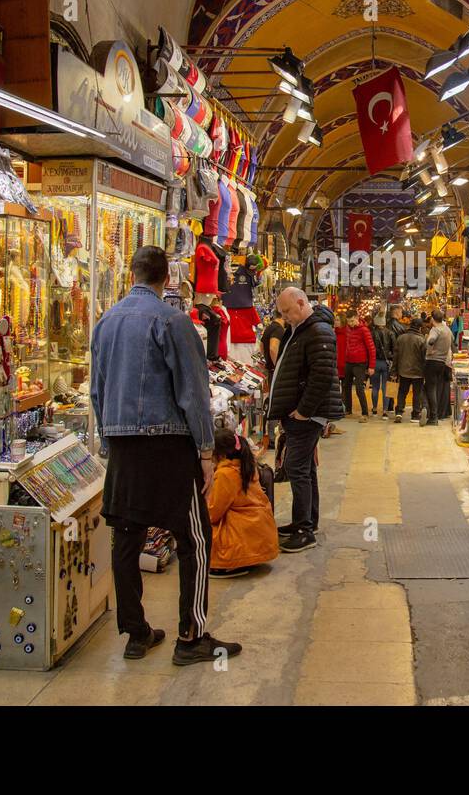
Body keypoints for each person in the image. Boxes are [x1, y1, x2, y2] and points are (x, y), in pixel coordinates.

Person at [90, 246, 242, 665]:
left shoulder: (106, 322)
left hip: (123, 448)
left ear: (132, 272)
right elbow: (192, 393)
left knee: (126, 540)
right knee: (194, 537)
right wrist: (206, 451)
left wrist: (109, 442)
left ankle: (136, 633)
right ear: (166, 279)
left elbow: (98, 390)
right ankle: (191, 636)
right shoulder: (173, 321)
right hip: (169, 448)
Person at [267, 286, 344, 553]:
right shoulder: (301, 328)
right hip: (300, 411)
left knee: (296, 466)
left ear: (301, 303)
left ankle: (304, 529)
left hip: (306, 414)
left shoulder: (317, 331)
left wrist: (304, 411)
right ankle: (307, 522)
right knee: (305, 468)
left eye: (287, 311)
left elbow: (321, 376)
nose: (285, 317)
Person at [207, 428, 278, 578]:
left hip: (241, 537)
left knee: (201, 527)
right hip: (261, 535)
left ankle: (229, 565)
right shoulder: (248, 466)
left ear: (220, 454)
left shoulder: (225, 474)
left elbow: (213, 513)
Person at [259, 308, 288, 451]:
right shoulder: (278, 329)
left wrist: (267, 362)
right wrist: (279, 366)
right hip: (275, 371)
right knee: (276, 402)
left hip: (270, 370)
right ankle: (271, 437)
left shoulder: (269, 328)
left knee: (271, 401)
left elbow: (262, 347)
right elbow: (272, 348)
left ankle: (270, 435)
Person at [391, 317, 426, 423]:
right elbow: (424, 357)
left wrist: (394, 371)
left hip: (403, 370)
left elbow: (395, 356)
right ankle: (415, 414)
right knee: (417, 393)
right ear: (419, 328)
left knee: (402, 392)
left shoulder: (401, 338)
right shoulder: (421, 340)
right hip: (418, 371)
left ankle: (399, 412)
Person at [423, 309, 453, 427]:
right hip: (442, 363)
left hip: (432, 361)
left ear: (432, 319)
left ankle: (432, 416)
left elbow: (431, 340)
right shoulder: (447, 329)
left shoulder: (435, 329)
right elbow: (453, 341)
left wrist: (429, 343)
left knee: (429, 388)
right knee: (434, 388)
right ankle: (433, 414)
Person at [343, 312, 375, 421]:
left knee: (358, 388)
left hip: (360, 363)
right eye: (348, 322)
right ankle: (348, 409)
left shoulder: (364, 330)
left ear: (357, 318)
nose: (350, 324)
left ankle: (365, 413)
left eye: (352, 321)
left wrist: (371, 366)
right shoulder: (347, 328)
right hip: (348, 361)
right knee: (346, 386)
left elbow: (371, 348)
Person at [370, 312, 396, 419]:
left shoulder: (372, 333)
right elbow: (395, 349)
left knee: (375, 387)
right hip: (387, 363)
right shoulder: (390, 333)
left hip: (375, 362)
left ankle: (375, 409)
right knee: (386, 387)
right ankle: (385, 411)